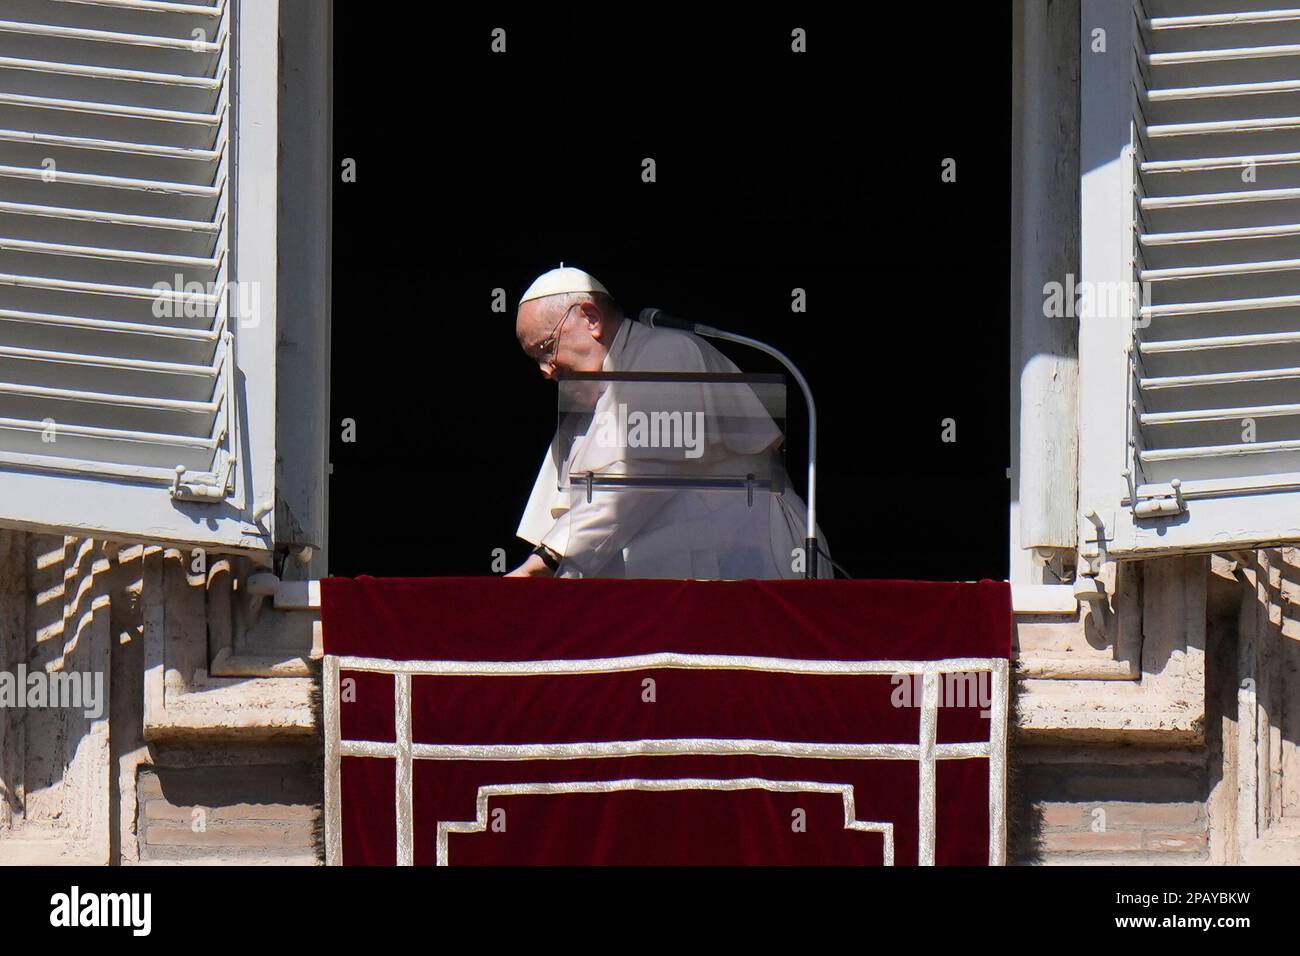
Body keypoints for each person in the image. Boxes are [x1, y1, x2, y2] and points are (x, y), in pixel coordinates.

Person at [507, 265, 828, 579]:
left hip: (750, 560)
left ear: (591, 318)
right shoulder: (585, 402)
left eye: (546, 349)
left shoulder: (666, 354)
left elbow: (629, 487)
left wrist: (546, 561)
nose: (545, 370)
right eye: (535, 359)